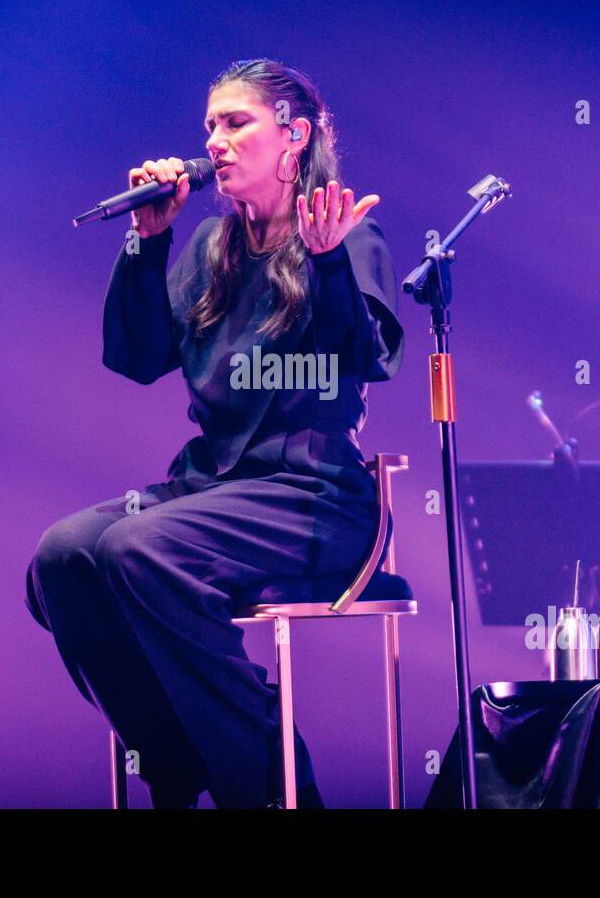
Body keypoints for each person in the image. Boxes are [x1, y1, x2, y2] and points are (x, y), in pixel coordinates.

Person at [24, 59, 405, 808]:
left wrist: (326, 268)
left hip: (315, 495)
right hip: (216, 487)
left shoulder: (348, 238)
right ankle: (171, 751)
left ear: (293, 137)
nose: (217, 142)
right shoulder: (210, 248)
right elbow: (134, 358)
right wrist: (146, 240)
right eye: (210, 127)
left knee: (139, 548)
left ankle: (265, 772)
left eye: (237, 123)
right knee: (62, 555)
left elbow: (357, 359)